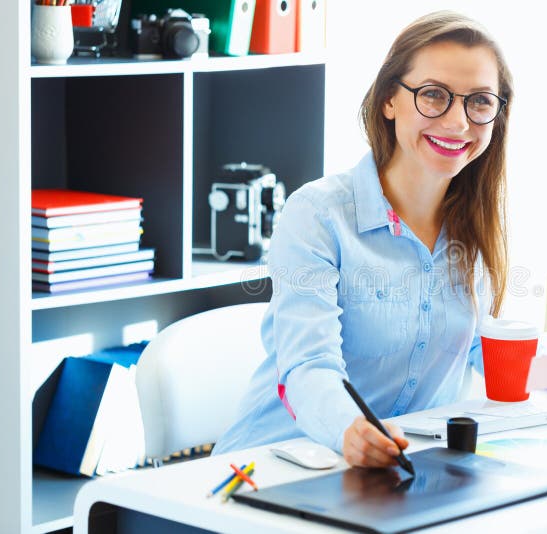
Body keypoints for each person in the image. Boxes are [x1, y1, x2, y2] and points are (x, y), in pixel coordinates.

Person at [213, 10, 513, 468]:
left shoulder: (476, 226)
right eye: (433, 95)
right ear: (390, 99)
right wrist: (348, 430)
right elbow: (308, 367)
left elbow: (488, 353)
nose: (457, 122)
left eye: (479, 102)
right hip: (276, 469)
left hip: (397, 476)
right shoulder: (318, 214)